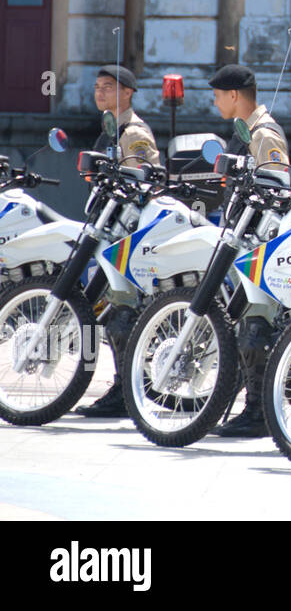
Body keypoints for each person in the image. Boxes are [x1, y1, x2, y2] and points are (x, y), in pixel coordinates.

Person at [206, 64, 291, 438]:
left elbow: (278, 192)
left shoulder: (263, 133)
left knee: (254, 327)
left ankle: (258, 410)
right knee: (243, 323)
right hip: (243, 243)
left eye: (218, 94)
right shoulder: (246, 132)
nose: (214, 101)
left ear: (235, 96)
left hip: (259, 245)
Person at [77, 65, 162, 417]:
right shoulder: (110, 129)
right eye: (97, 87)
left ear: (128, 92)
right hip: (106, 232)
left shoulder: (133, 132)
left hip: (126, 238)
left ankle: (127, 390)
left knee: (121, 313)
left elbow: (144, 183)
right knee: (103, 309)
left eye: (108, 87)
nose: (100, 93)